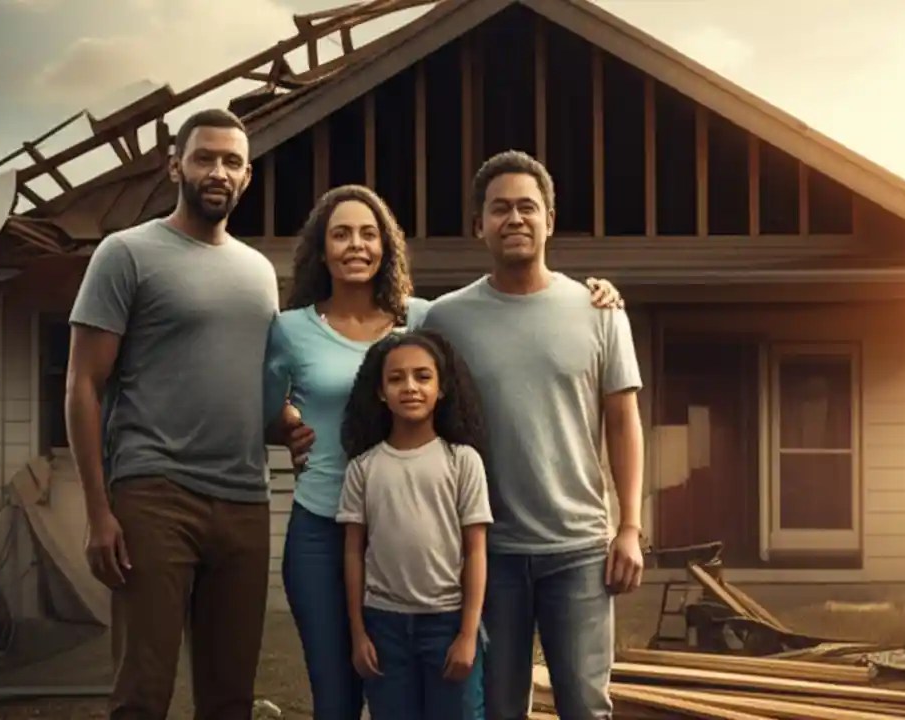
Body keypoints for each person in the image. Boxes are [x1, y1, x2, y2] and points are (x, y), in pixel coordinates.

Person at [263, 185, 625, 719]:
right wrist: (291, 428)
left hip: (413, 530)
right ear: (320, 249)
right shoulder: (290, 329)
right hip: (323, 522)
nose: (356, 245)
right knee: (338, 693)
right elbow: (264, 408)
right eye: (340, 234)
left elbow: (501, 316)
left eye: (369, 234)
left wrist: (599, 292)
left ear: (387, 247)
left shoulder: (426, 317)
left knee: (425, 685)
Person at [418, 150, 647, 720]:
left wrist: (631, 527)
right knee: (498, 710)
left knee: (586, 707)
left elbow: (623, 421)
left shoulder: (598, 311)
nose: (514, 218)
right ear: (479, 226)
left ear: (550, 220)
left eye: (528, 207)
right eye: (500, 209)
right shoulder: (445, 320)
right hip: (485, 550)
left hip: (579, 551)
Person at [65, 107, 278, 720]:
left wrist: (288, 422)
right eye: (205, 157)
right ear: (175, 166)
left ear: (247, 177)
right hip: (154, 496)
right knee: (142, 694)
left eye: (231, 161)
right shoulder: (126, 253)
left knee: (230, 696)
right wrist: (98, 511)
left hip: (245, 501)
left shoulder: (260, 273)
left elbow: (249, 382)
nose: (218, 170)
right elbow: (83, 383)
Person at [336, 329, 493, 720]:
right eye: (396, 378)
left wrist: (467, 635)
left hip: (447, 623)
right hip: (383, 626)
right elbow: (354, 552)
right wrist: (358, 633)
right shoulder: (363, 468)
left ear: (441, 389)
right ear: (379, 392)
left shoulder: (462, 461)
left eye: (423, 376)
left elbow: (475, 550)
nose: (410, 387)